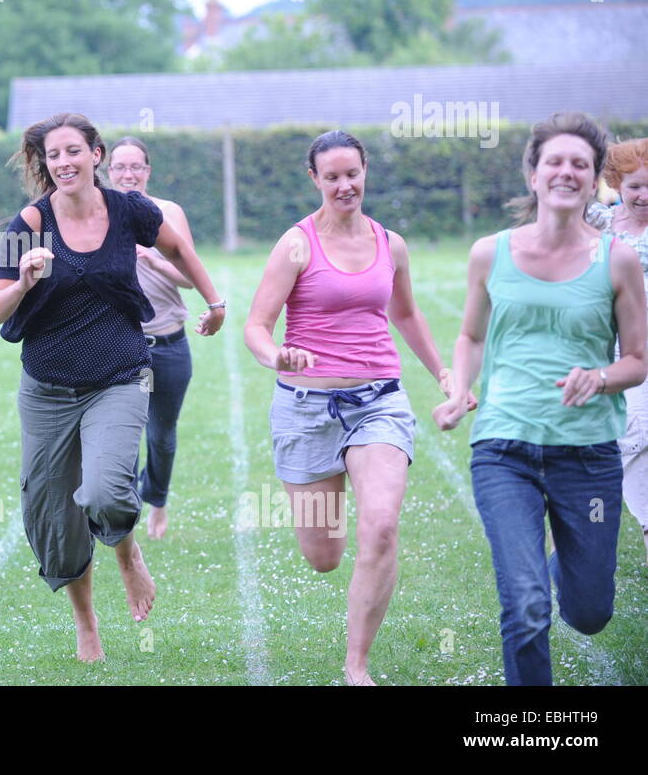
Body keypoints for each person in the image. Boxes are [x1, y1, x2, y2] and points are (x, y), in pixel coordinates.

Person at [0, 112, 225, 661]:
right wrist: (22, 279)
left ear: (97, 154)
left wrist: (215, 301)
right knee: (56, 518)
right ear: (44, 164)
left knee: (104, 491)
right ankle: (86, 622)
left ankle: (128, 552)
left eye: (74, 151)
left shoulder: (128, 210)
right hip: (46, 388)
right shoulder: (29, 225)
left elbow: (180, 250)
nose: (63, 162)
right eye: (53, 155)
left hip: (118, 376)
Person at [435, 113, 646, 686]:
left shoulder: (617, 259)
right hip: (505, 450)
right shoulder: (490, 253)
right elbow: (471, 336)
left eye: (580, 163)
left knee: (591, 610)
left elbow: (638, 359)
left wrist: (599, 378)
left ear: (592, 179)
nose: (566, 172)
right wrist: (458, 390)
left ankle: (566, 573)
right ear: (533, 173)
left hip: (588, 456)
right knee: (526, 605)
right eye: (554, 161)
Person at [244, 129, 456, 686]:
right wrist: (276, 356)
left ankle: (356, 667)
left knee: (381, 526)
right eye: (332, 176)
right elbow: (256, 326)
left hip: (379, 402)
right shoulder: (296, 244)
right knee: (323, 556)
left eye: (352, 173)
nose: (345, 185)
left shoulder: (393, 243)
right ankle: (330, 489)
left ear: (366, 172)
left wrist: (443, 372)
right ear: (314, 179)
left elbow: (406, 315)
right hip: (306, 408)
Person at [107, 137, 197, 540]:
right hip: (127, 348)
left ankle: (156, 500)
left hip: (170, 344)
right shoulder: (98, 212)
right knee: (123, 433)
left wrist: (153, 259)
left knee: (161, 436)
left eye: (136, 167)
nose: (128, 175)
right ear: (107, 172)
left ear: (148, 171)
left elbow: (191, 279)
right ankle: (121, 512)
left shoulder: (169, 213)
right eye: (119, 167)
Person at [584, 136, 648, 565]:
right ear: (616, 186)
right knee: (635, 437)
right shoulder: (601, 224)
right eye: (635, 187)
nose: (644, 196)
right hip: (626, 352)